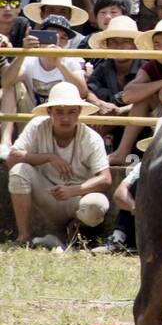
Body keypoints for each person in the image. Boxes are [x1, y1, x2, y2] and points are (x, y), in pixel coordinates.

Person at [7, 82, 112, 248]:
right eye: (59, 112)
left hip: (77, 198)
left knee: (97, 205)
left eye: (71, 112)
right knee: (18, 172)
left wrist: (73, 190)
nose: (66, 118)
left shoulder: (91, 138)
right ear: (49, 112)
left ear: (79, 113)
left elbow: (105, 179)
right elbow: (11, 160)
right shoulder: (37, 126)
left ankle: (72, 233)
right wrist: (49, 157)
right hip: (46, 194)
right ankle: (23, 237)